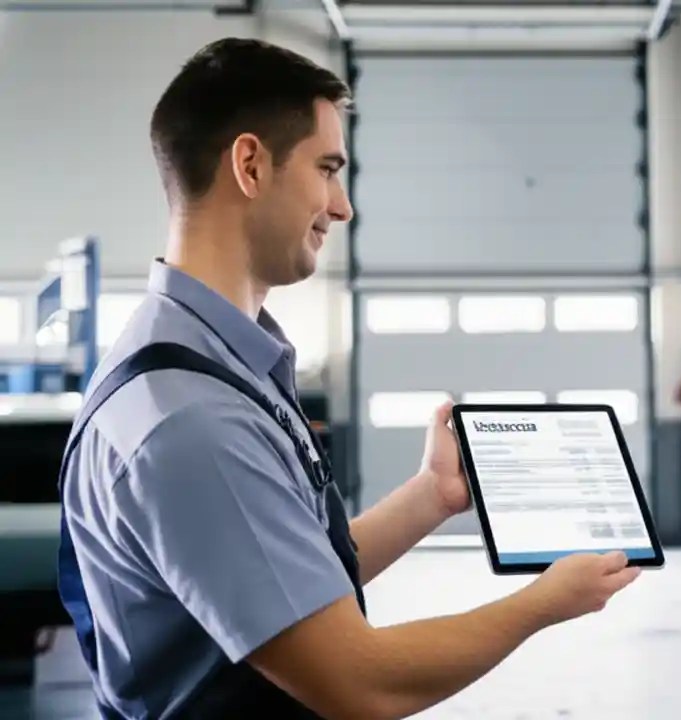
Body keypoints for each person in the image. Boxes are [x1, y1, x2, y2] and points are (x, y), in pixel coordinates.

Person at [57, 38, 641, 720]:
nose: (342, 207)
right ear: (249, 164)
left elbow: (283, 581)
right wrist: (543, 603)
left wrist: (430, 496)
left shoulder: (204, 362)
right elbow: (358, 682)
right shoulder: (191, 418)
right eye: (327, 170)